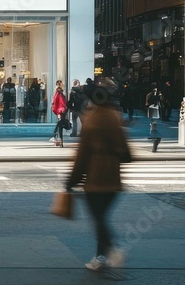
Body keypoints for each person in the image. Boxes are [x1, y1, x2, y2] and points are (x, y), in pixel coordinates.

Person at [65, 80, 131, 273]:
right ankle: (101, 256)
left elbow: (81, 157)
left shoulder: (91, 122)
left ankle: (111, 250)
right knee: (101, 218)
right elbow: (127, 154)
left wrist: (71, 181)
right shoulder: (114, 119)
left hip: (95, 181)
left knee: (99, 219)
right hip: (113, 180)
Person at [50, 81, 68, 147]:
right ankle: (58, 139)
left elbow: (55, 103)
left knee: (60, 124)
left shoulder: (58, 93)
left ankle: (57, 138)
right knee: (60, 125)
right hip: (61, 110)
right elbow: (61, 103)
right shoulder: (60, 93)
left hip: (60, 111)